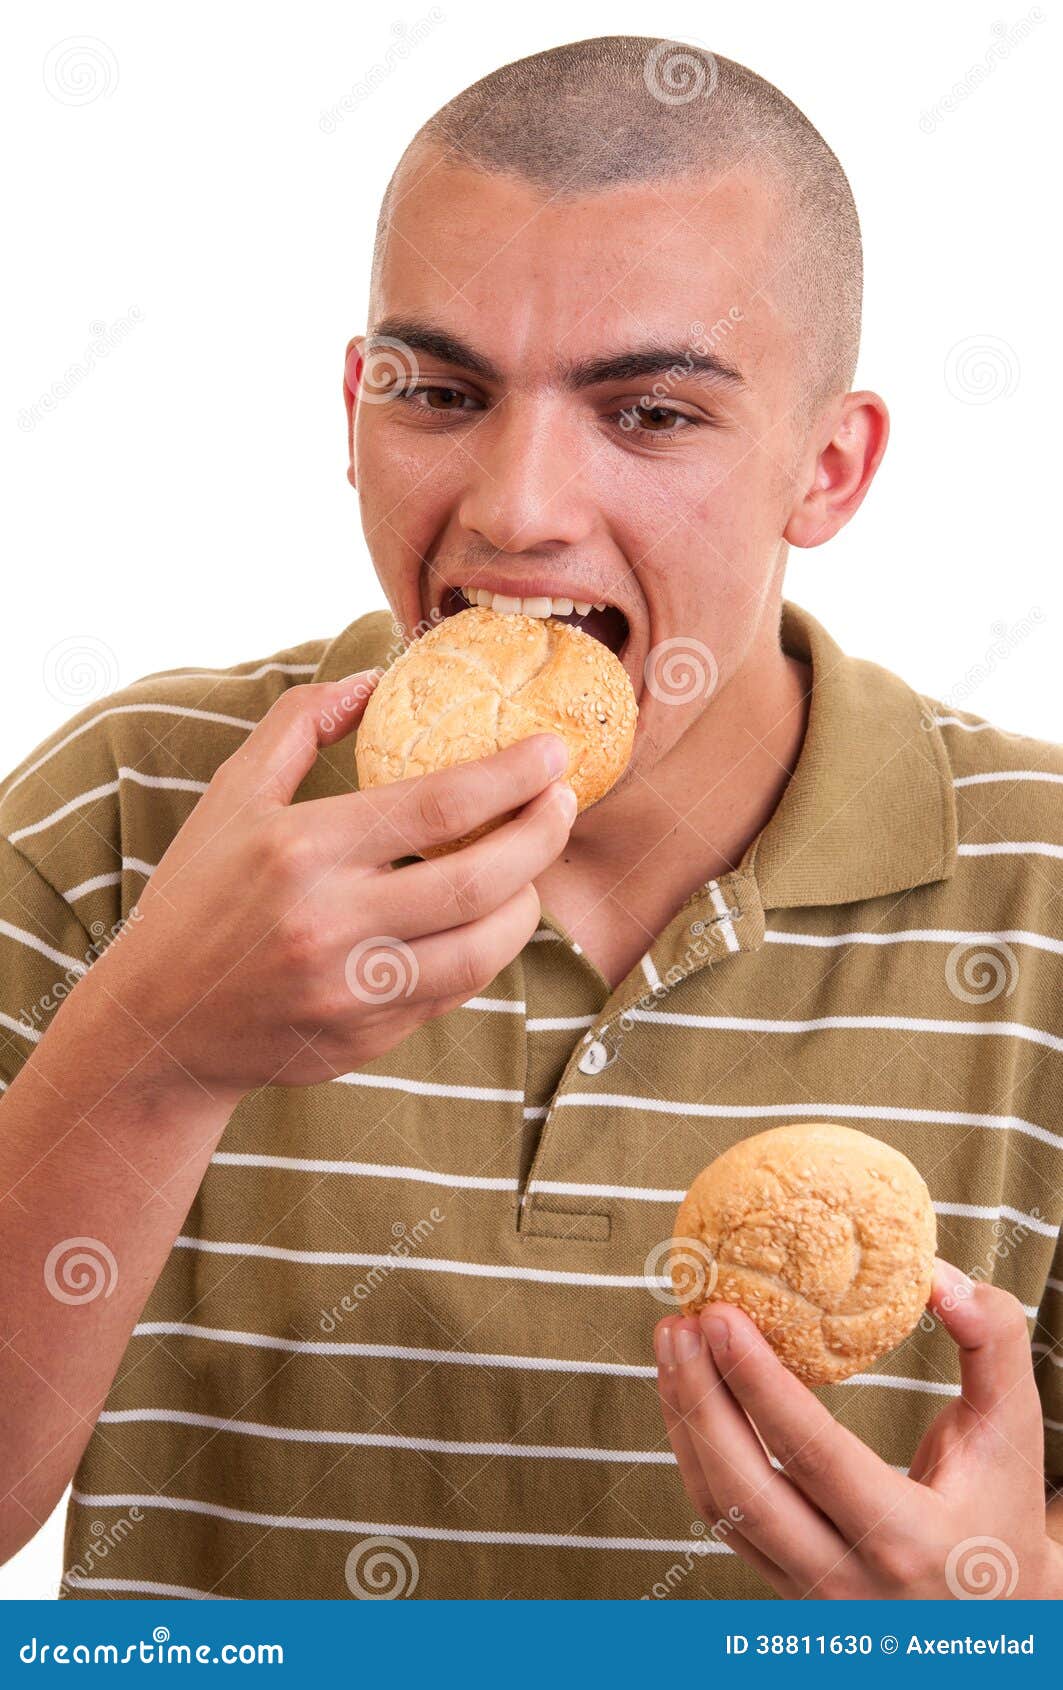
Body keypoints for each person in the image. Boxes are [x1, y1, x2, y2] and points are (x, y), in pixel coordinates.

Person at [1, 35, 1060, 1601]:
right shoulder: (133, 803)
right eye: (441, 390)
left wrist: (1017, 1619)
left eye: (650, 414)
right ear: (355, 405)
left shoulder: (1043, 900)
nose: (516, 506)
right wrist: (161, 1046)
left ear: (828, 470)